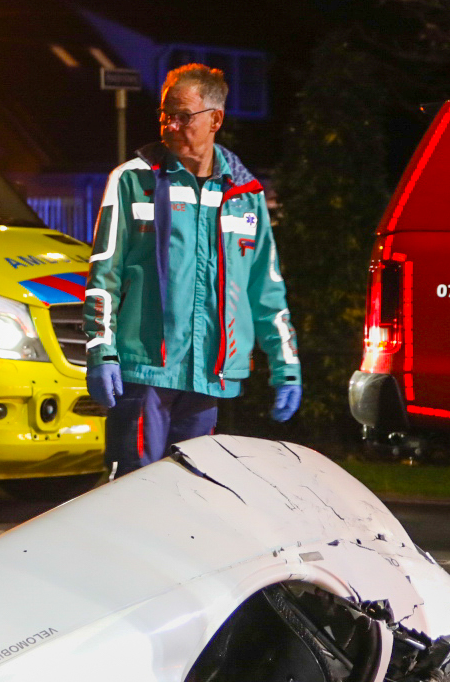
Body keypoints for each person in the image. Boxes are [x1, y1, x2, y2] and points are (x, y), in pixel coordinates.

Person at [83, 63, 301, 477]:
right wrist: (101, 351)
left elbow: (267, 291)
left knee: (193, 497)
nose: (170, 125)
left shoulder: (246, 194)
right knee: (136, 493)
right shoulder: (133, 181)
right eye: (166, 114)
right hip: (145, 372)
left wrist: (286, 367)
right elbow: (103, 274)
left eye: (183, 116)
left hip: (210, 379)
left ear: (215, 119)